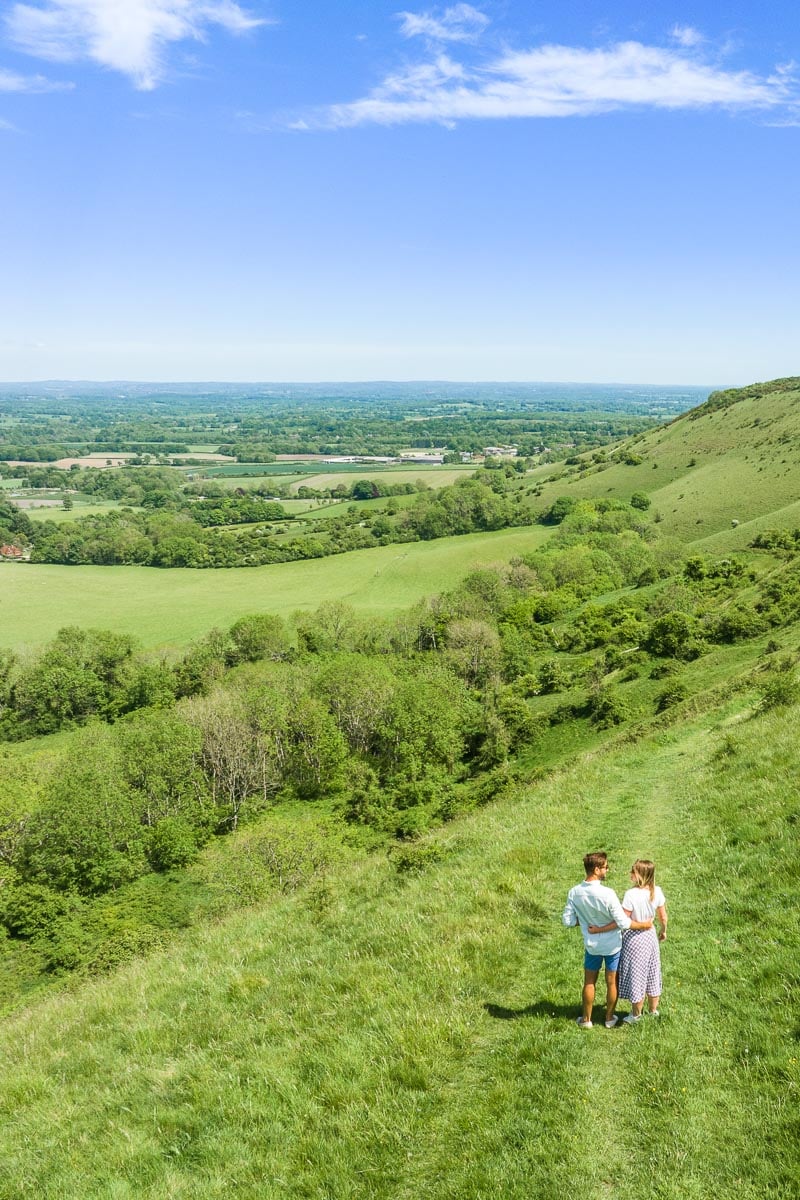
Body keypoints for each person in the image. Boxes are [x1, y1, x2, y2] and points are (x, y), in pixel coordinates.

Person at [562, 851, 654, 1029]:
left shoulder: (574, 892)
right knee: (611, 982)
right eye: (605, 867)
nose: (607, 870)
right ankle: (609, 1018)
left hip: (591, 945)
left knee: (589, 982)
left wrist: (585, 920)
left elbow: (567, 921)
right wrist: (643, 925)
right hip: (613, 946)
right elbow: (623, 922)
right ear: (596, 869)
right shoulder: (608, 893)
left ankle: (586, 1019)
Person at [615, 859, 667, 1023]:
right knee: (652, 971)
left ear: (641, 875)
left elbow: (624, 920)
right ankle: (653, 1010)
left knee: (637, 974)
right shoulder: (657, 891)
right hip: (650, 936)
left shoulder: (631, 894)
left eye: (633, 871)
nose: (630, 873)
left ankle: (636, 1015)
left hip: (634, 938)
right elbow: (663, 917)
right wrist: (663, 931)